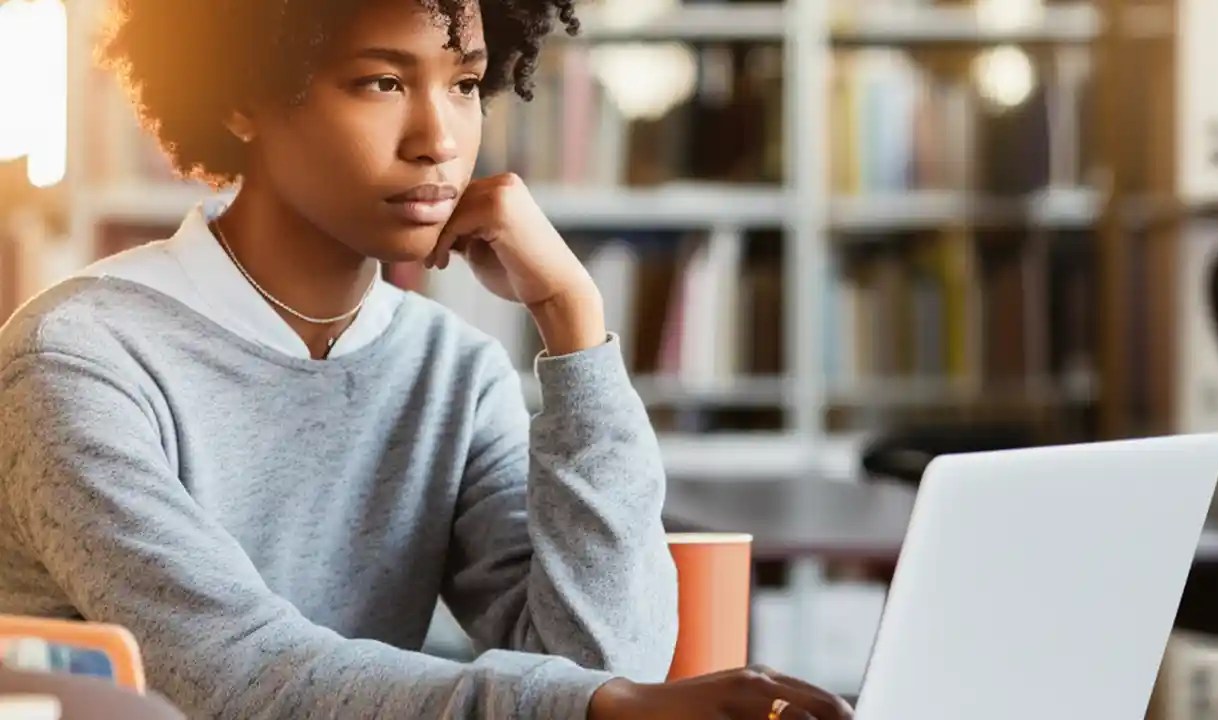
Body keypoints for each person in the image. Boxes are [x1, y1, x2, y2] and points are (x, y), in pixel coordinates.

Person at [0, 0, 854, 718]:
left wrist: (575, 325)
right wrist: (597, 707)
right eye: (382, 81)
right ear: (242, 96)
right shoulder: (76, 358)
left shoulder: (455, 371)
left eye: (466, 84)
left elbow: (602, 657)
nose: (439, 140)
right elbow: (234, 675)